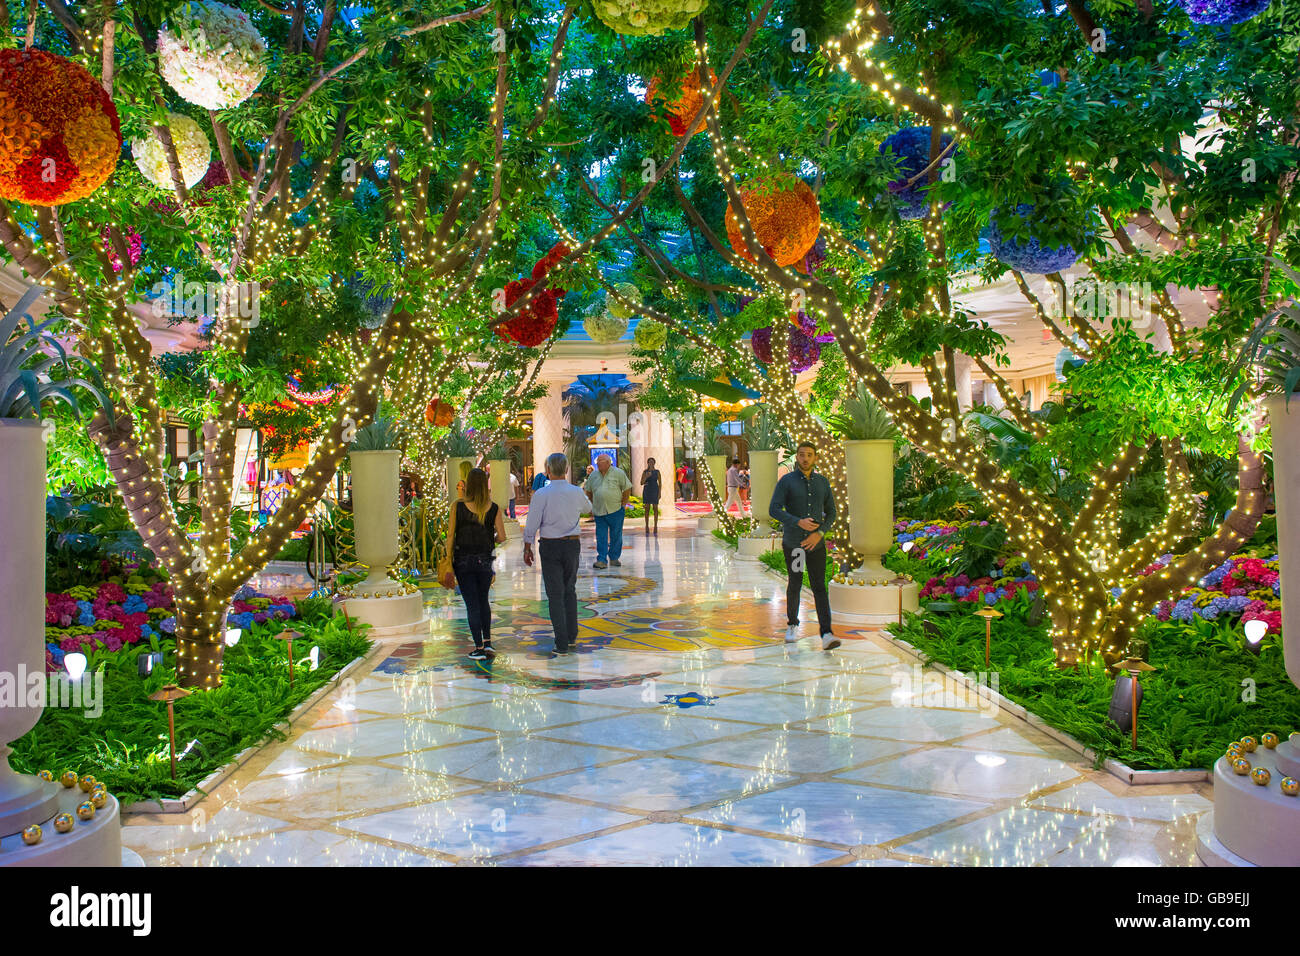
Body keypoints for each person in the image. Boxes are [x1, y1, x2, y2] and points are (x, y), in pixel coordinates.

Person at [769, 441, 840, 650]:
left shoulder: (822, 482)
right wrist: (797, 521)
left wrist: (820, 533)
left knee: (819, 586)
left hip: (816, 546)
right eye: (801, 455)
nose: (805, 458)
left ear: (815, 458)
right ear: (797, 458)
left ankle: (826, 633)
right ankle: (792, 624)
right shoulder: (787, 481)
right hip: (796, 545)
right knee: (796, 583)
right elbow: (774, 509)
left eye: (809, 455)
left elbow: (832, 512)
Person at [523, 452, 591, 655]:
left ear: (548, 471)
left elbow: (532, 522)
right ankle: (571, 637)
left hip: (550, 546)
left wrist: (527, 546)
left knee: (555, 594)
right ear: (567, 469)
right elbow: (588, 509)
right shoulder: (576, 492)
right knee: (569, 589)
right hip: (572, 545)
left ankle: (561, 642)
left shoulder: (542, 494)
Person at [448, 468, 506, 660]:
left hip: (463, 561)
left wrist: (447, 560)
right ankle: (488, 643)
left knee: (471, 604)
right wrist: (489, 539)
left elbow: (450, 536)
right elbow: (502, 536)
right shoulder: (493, 507)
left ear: (468, 485)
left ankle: (478, 648)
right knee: (483, 601)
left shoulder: (458, 507)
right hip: (485, 560)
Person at [585, 453, 632, 568]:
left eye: (600, 463)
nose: (598, 465)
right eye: (597, 463)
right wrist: (593, 503)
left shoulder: (618, 473)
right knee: (601, 536)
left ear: (608, 463)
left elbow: (626, 488)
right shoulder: (593, 475)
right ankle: (601, 560)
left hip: (616, 510)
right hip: (599, 510)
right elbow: (589, 491)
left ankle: (614, 558)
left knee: (616, 535)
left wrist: (623, 504)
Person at [640, 456, 662, 536]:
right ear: (648, 463)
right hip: (647, 490)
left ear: (654, 463)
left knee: (655, 508)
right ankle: (646, 526)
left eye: (652, 462)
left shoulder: (657, 472)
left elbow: (660, 483)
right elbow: (641, 482)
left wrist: (659, 493)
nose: (651, 463)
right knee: (647, 509)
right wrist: (646, 476)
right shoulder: (645, 472)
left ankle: (656, 526)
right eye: (650, 462)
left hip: (655, 490)